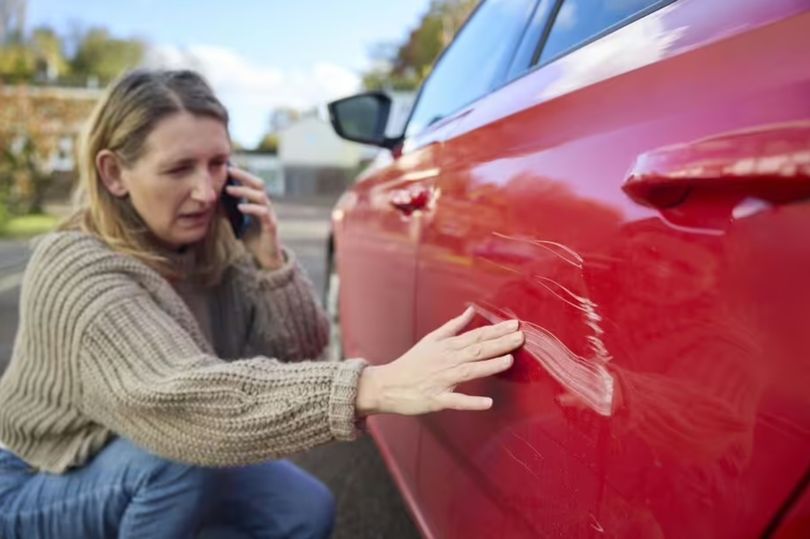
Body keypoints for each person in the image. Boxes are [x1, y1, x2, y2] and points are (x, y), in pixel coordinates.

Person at [0, 69, 524, 539]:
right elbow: (180, 402)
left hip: (135, 458)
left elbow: (297, 355)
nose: (206, 192)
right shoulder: (74, 267)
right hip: (39, 478)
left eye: (218, 164)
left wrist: (269, 259)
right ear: (114, 174)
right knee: (179, 464)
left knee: (303, 509)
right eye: (179, 168)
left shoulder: (213, 247)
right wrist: (376, 385)